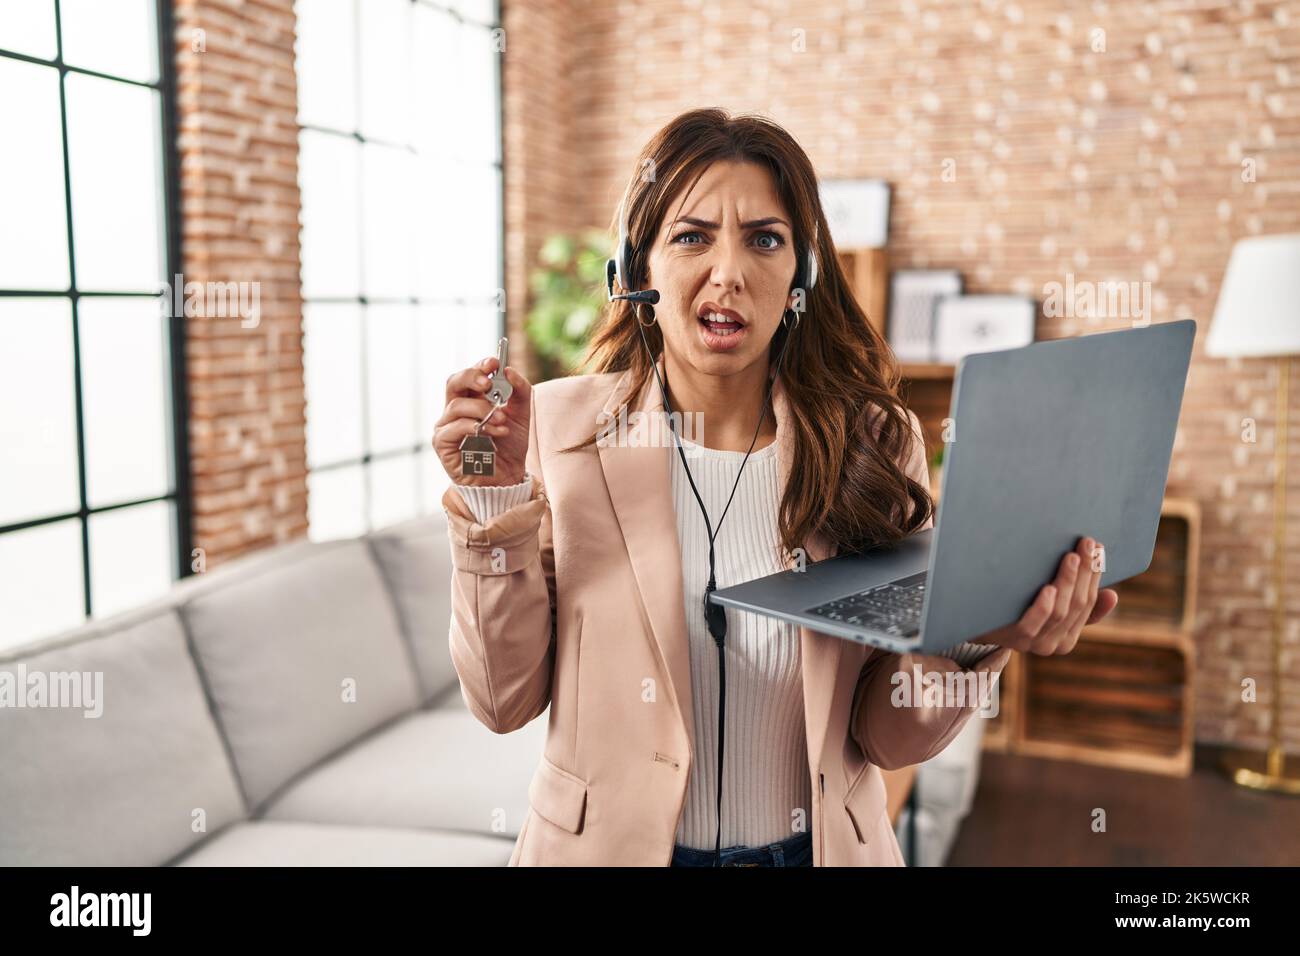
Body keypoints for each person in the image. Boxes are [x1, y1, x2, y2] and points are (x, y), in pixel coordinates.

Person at [433, 107, 1119, 867]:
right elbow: (503, 701)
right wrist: (493, 502)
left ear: (803, 273)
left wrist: (977, 635)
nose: (728, 272)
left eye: (764, 239)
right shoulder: (560, 432)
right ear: (637, 271)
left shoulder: (874, 442)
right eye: (691, 236)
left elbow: (886, 740)